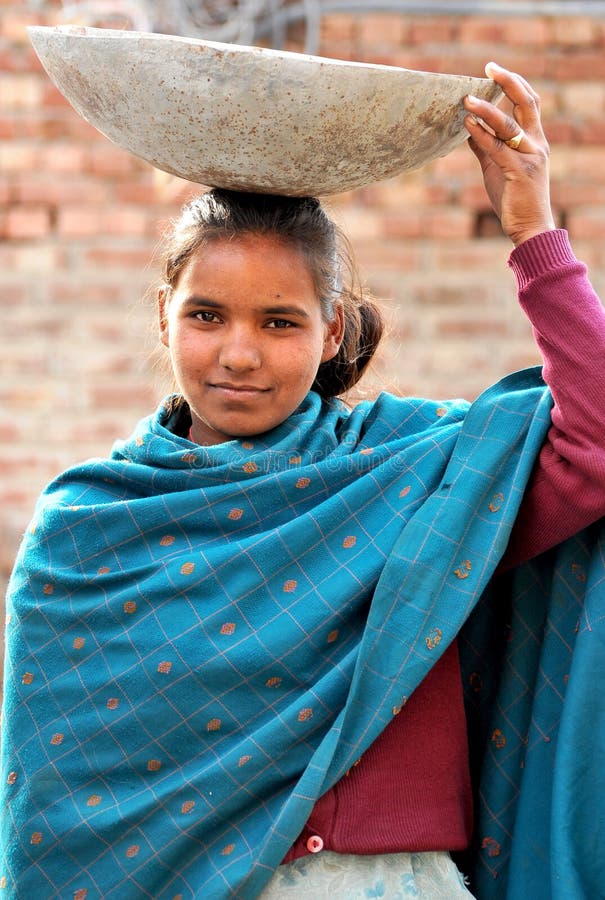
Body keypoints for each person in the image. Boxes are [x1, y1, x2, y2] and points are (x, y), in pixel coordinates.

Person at [2, 62, 605, 900]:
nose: (239, 354)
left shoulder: (416, 469)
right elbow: (59, 811)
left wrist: (533, 231)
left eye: (279, 322)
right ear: (164, 318)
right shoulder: (91, 528)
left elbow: (598, 439)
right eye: (206, 315)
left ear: (331, 333)